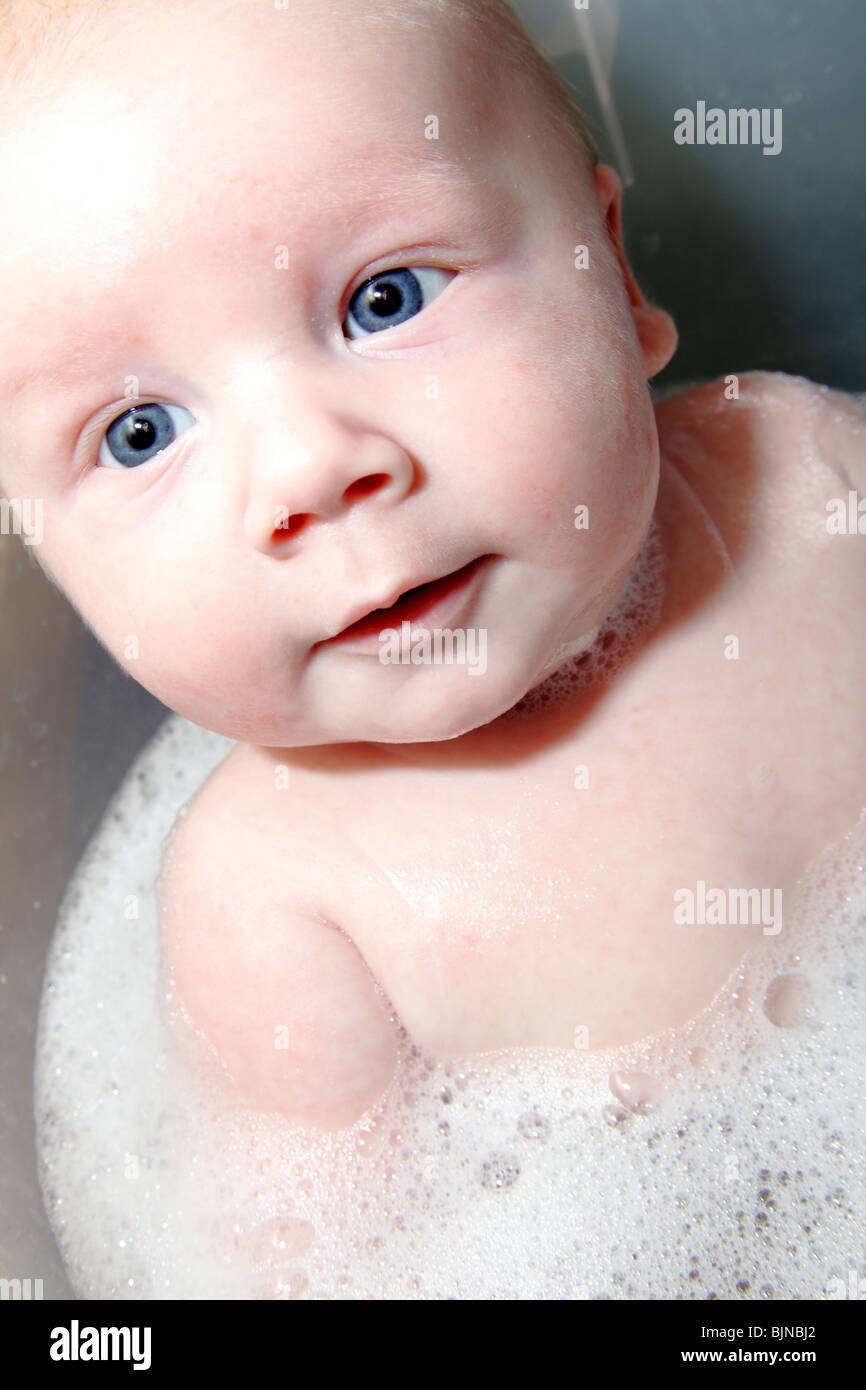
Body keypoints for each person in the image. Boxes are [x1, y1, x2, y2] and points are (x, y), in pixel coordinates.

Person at [1, 0, 864, 1136]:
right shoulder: (271, 907)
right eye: (140, 433)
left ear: (609, 271)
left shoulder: (804, 478)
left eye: (384, 298)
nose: (309, 469)